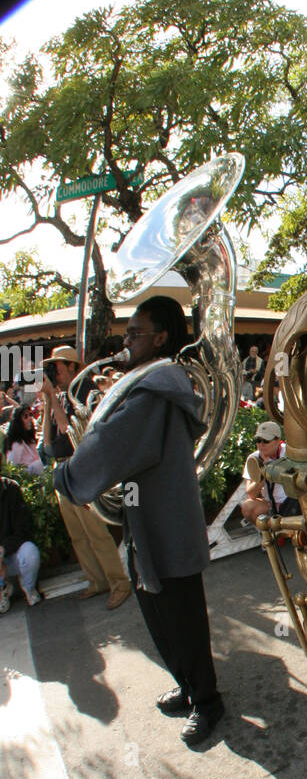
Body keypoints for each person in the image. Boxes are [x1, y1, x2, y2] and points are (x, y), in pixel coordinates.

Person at [53, 297, 224, 746]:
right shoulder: (148, 386)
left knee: (182, 621)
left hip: (165, 524)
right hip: (144, 520)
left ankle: (207, 701)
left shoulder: (154, 391)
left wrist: (69, 472)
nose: (125, 341)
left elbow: (112, 446)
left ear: (162, 337)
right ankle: (188, 688)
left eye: (134, 333)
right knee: (158, 617)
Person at [39, 345, 131, 609]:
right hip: (62, 468)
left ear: (72, 367)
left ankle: (119, 583)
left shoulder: (84, 392)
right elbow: (47, 443)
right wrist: (47, 400)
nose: (52, 372)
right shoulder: (59, 396)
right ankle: (97, 581)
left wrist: (53, 400)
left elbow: (70, 430)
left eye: (56, 366)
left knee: (95, 531)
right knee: (78, 534)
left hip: (80, 468)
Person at [0, 472, 42, 609]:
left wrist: (3, 549)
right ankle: (3, 589)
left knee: (30, 552)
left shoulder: (10, 488)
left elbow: (23, 528)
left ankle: (28, 587)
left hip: (12, 551)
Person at [241, 421, 292, 523]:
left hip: (292, 502)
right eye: (258, 440)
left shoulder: (289, 452)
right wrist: (263, 472)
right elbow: (251, 494)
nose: (261, 445)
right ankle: (268, 534)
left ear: (278, 441)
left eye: (266, 441)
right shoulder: (254, 458)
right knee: (248, 507)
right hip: (271, 505)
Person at [4, 404, 44, 475]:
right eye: (25, 416)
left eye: (30, 415)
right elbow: (13, 470)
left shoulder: (29, 440)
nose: (30, 418)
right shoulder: (16, 445)